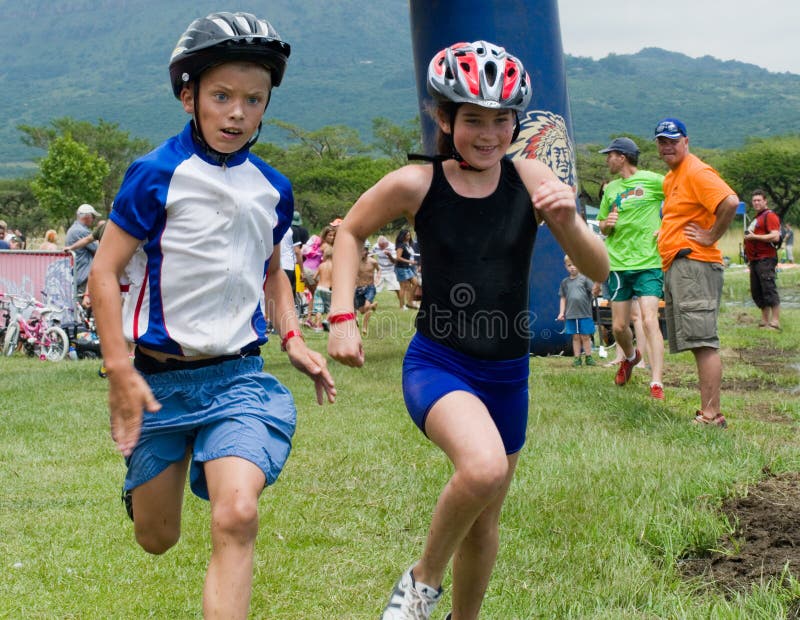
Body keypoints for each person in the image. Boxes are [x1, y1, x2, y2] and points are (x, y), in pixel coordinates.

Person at [328, 40, 608, 620]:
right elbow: (350, 231)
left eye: (501, 119)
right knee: (480, 469)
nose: (489, 133)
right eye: (473, 119)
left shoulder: (530, 176)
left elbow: (602, 269)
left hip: (509, 373)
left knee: (484, 523)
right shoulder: (415, 183)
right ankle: (420, 584)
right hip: (440, 363)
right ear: (443, 118)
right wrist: (340, 319)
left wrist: (565, 220)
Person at [87, 12, 335, 619]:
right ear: (187, 95)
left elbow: (271, 273)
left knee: (237, 515)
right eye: (221, 96)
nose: (237, 113)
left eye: (254, 99)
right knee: (157, 537)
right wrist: (119, 370)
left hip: (238, 380)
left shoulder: (272, 189)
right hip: (158, 385)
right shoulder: (156, 175)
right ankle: (151, 481)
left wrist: (295, 338)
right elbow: (103, 272)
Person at [655, 117, 738, 427]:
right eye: (662, 141)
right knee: (695, 341)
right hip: (679, 264)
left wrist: (711, 235)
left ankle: (711, 415)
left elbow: (729, 201)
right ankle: (708, 409)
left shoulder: (697, 171)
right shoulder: (671, 178)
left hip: (696, 263)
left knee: (704, 342)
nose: (667, 146)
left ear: (686, 142)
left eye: (673, 141)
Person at [597, 137, 666, 399]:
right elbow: (602, 223)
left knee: (650, 320)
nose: (607, 160)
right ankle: (630, 356)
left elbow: (679, 196)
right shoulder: (612, 188)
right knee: (618, 327)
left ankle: (656, 382)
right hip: (618, 265)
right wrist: (607, 224)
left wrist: (667, 223)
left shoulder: (653, 180)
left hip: (648, 262)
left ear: (622, 157)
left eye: (610, 155)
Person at [743, 189, 781, 330]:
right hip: (754, 260)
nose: (756, 202)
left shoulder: (769, 216)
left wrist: (754, 237)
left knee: (769, 288)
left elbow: (775, 236)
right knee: (757, 291)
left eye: (759, 200)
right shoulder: (756, 217)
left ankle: (775, 321)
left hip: (766, 258)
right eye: (754, 200)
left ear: (765, 201)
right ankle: (764, 320)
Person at [557, 255, 596, 367]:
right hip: (571, 315)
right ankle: (577, 358)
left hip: (585, 314)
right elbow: (563, 298)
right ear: (566, 266)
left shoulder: (585, 279)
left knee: (585, 336)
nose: (572, 267)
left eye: (575, 264)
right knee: (575, 337)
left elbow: (594, 290)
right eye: (569, 265)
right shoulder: (565, 282)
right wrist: (561, 312)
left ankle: (588, 357)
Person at [65, 204, 101, 301]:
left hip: (78, 273)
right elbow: (99, 249)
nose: (93, 220)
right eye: (93, 217)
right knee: (84, 306)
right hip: (84, 276)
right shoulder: (81, 231)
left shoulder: (73, 229)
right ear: (87, 217)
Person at [354, 240, 380, 336]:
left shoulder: (373, 261)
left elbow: (379, 270)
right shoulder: (355, 261)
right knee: (361, 311)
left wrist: (377, 277)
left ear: (367, 250)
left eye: (363, 250)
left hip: (370, 287)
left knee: (366, 306)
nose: (361, 252)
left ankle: (364, 327)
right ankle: (373, 305)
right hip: (359, 288)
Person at [372, 235, 402, 306]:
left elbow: (395, 261)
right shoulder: (375, 246)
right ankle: (369, 305)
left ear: (386, 243)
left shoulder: (393, 247)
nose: (380, 248)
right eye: (379, 246)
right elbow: (371, 255)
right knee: (372, 288)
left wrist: (389, 255)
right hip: (379, 270)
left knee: (397, 288)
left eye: (382, 246)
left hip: (390, 271)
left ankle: (402, 306)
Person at [394, 229, 419, 309]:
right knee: (403, 287)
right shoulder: (401, 245)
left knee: (416, 283)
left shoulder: (407, 244)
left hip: (407, 267)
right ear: (403, 236)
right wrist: (410, 261)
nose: (409, 237)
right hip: (401, 268)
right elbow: (398, 258)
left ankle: (409, 302)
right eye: (407, 235)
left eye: (409, 235)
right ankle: (402, 306)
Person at [311, 246, 334, 330]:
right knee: (332, 307)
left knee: (318, 308)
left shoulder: (321, 265)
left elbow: (314, 277)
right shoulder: (335, 266)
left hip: (319, 288)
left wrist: (319, 282)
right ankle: (326, 321)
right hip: (329, 289)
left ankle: (317, 326)